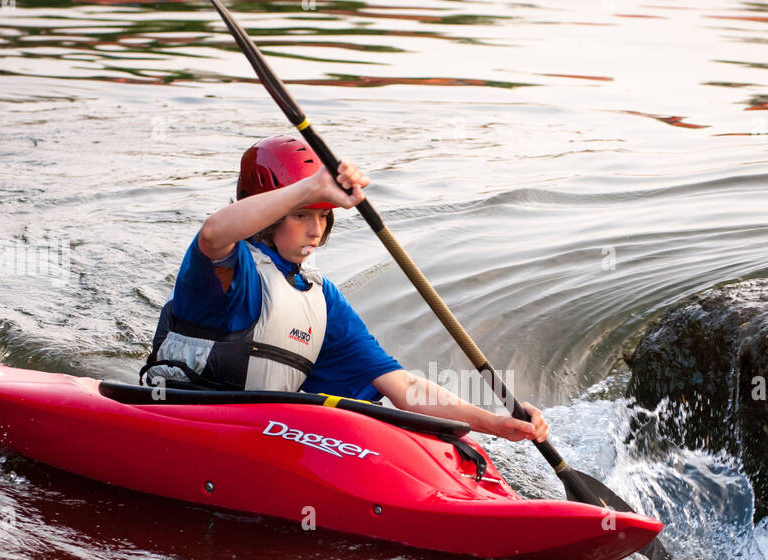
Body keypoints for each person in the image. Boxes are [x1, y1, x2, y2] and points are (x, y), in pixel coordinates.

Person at [142, 135, 549, 443]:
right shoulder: (226, 273)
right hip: (183, 419)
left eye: (323, 214)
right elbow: (213, 233)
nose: (316, 228)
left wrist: (494, 423)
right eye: (300, 214)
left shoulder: (321, 298)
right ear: (269, 212)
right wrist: (309, 187)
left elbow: (403, 387)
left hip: (257, 438)